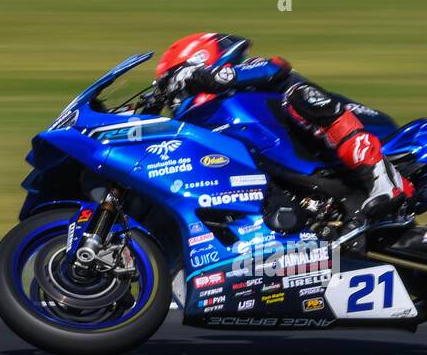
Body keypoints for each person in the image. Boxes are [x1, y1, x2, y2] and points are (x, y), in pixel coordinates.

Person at [148, 32, 413, 227]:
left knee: (302, 96)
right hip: (305, 180)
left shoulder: (252, 73)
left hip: (368, 130)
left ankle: (383, 179)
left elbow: (276, 66)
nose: (174, 94)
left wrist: (206, 78)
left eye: (176, 80)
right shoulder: (208, 125)